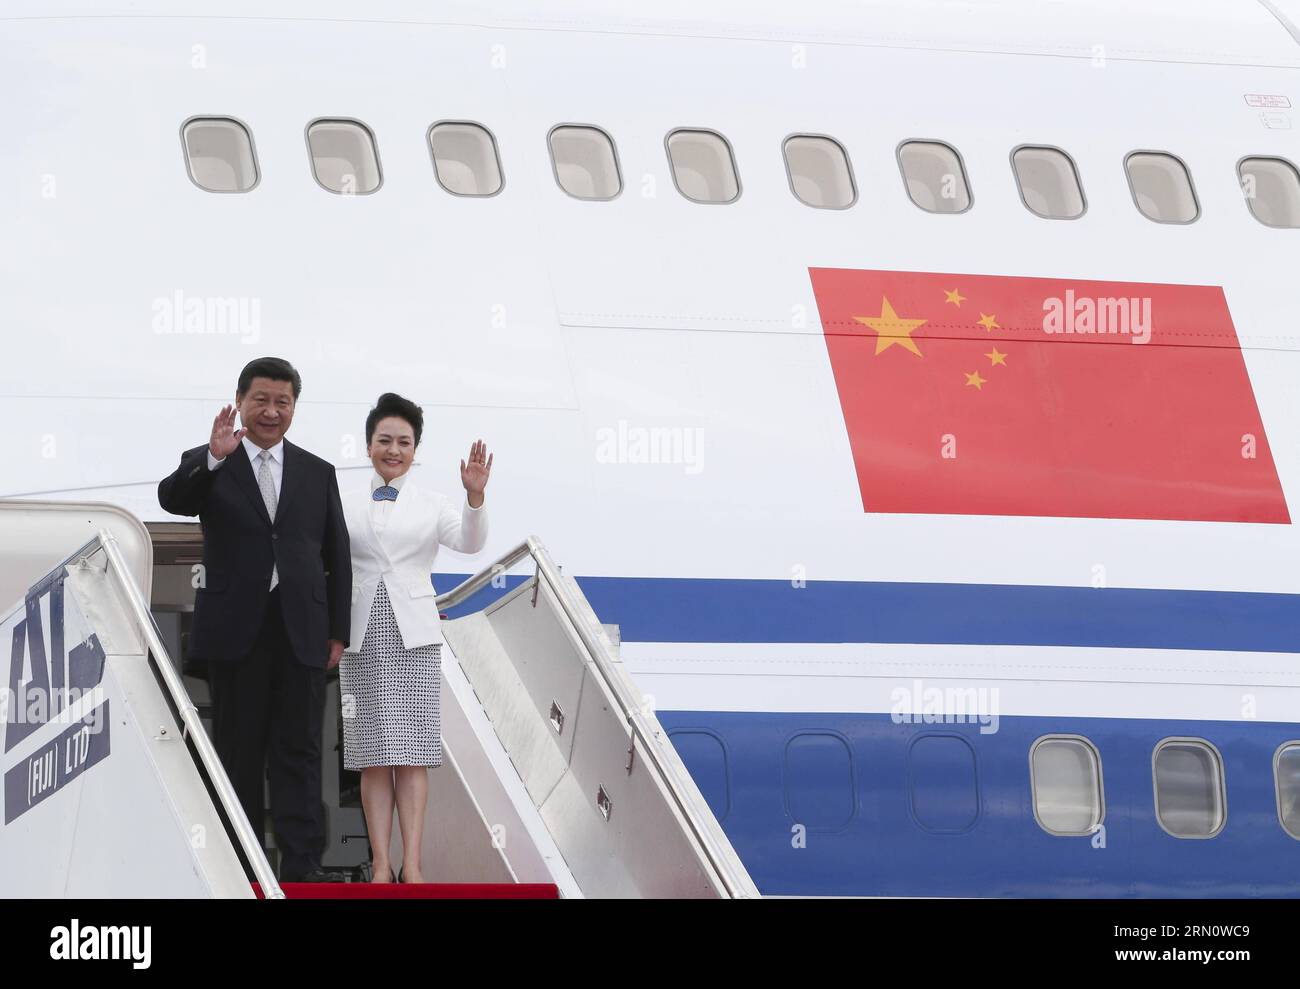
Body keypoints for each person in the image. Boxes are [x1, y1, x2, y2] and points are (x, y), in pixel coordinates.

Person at [157, 357, 351, 883]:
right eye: (260, 400)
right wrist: (214, 457)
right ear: (240, 400)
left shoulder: (318, 472)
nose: (271, 411)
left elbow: (335, 555)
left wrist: (338, 631)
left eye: (282, 402)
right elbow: (171, 498)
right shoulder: (214, 461)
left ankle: (303, 870)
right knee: (238, 753)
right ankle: (239, 867)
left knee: (300, 752)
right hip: (236, 631)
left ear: (294, 408)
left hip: (301, 632)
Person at [341, 392, 491, 884]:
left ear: (415, 449)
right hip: (361, 632)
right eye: (384, 440)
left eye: (404, 442)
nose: (393, 449)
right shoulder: (342, 500)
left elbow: (470, 544)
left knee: (410, 751)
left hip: (414, 637)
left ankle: (415, 865)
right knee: (370, 754)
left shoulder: (435, 504)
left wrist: (474, 497)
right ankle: (381, 865)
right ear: (368, 446)